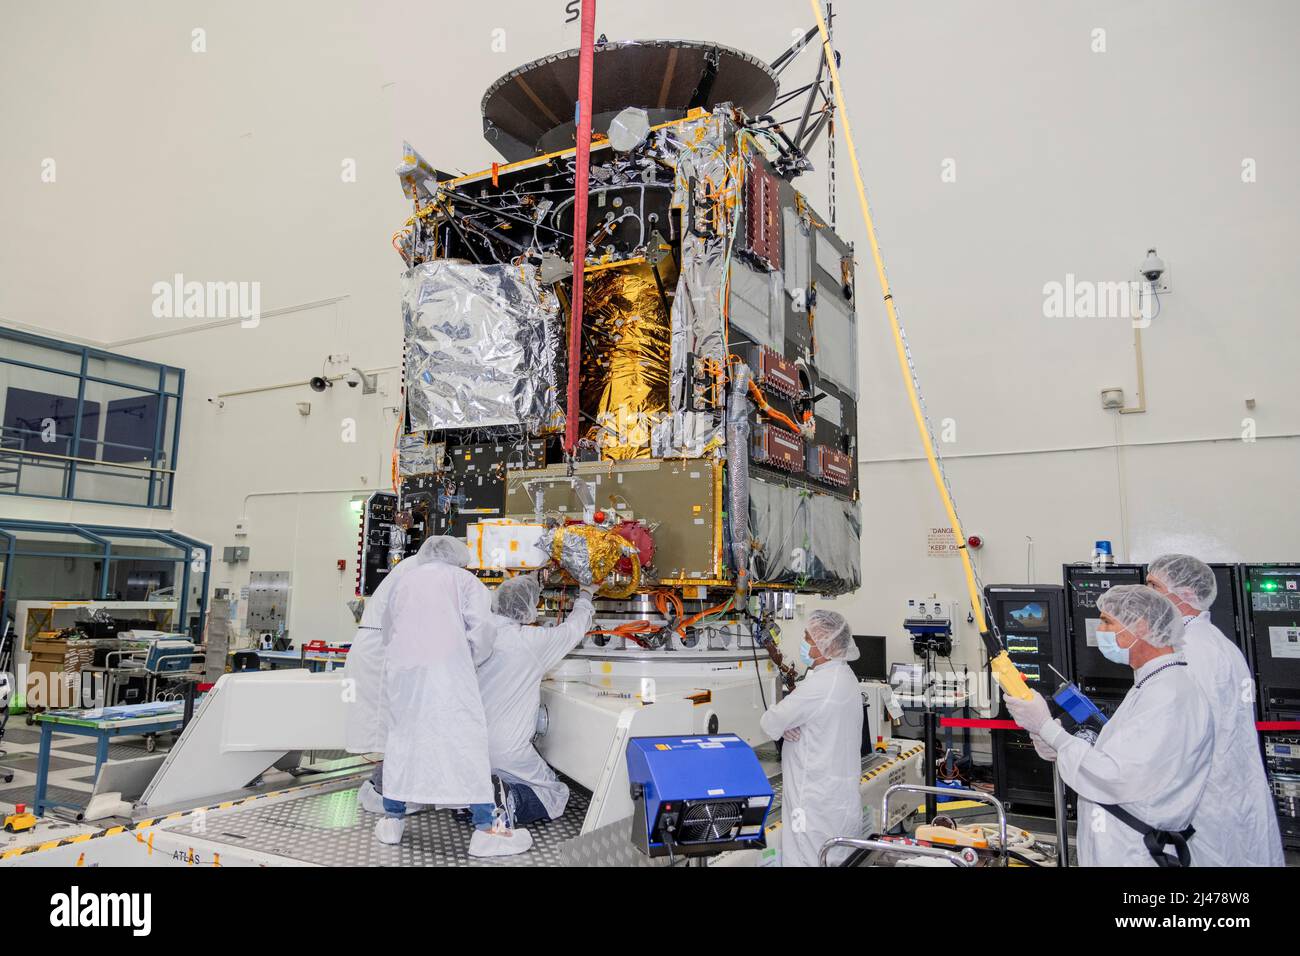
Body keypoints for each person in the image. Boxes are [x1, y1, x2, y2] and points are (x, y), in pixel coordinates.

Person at [1005, 584, 1214, 866]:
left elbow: (1114, 776)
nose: (1098, 630)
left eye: (1107, 622)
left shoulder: (1169, 695)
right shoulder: (1153, 683)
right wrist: (1059, 743)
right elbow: (1122, 755)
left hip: (1133, 851)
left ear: (1139, 626)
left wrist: (1048, 728)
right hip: (1122, 842)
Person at [375, 536, 533, 857]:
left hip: (404, 675)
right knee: (465, 741)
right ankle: (487, 829)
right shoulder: (465, 580)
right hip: (448, 675)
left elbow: (389, 628)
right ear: (459, 557)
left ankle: (392, 820)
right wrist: (467, 659)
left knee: (404, 741)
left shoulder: (403, 581)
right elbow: (483, 631)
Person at [1147, 554, 1284, 866]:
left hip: (1208, 799)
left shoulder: (1193, 651)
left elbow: (1181, 733)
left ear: (1185, 594)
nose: (1146, 596)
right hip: (1226, 790)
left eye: (1154, 586)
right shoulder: (1208, 641)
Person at [344, 536, 456, 816]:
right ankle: (390, 795)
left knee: (398, 731)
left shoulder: (414, 568)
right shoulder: (416, 573)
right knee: (394, 732)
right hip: (379, 658)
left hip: (381, 651)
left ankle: (394, 791)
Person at [477, 574, 596, 826]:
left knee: (498, 772)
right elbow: (572, 630)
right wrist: (586, 593)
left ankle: (474, 797)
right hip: (506, 749)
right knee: (555, 794)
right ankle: (505, 801)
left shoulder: (477, 635)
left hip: (467, 745)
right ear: (527, 606)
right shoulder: (529, 642)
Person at [758, 610, 863, 867]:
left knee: (808, 860)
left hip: (814, 808)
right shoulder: (846, 677)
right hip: (840, 800)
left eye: (807, 637)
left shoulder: (819, 686)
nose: (803, 642)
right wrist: (788, 725)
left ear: (823, 644)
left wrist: (783, 726)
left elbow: (770, 721)